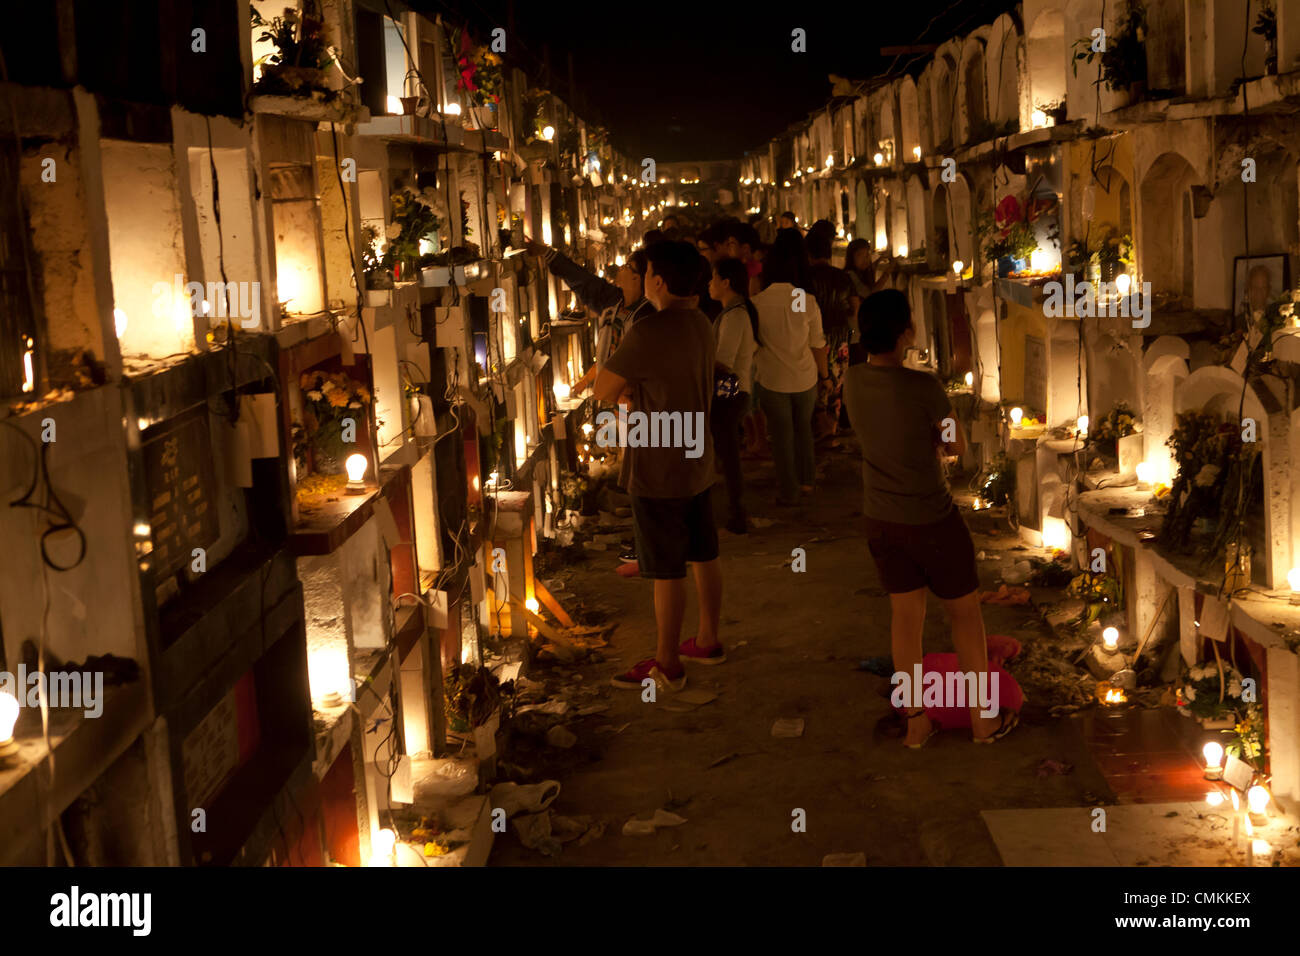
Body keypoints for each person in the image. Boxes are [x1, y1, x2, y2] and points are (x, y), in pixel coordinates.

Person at [842, 290, 1017, 747]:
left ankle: (916, 721)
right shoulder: (924, 387)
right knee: (964, 615)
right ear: (906, 333)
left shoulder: (852, 381)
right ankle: (982, 718)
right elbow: (954, 446)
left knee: (905, 618)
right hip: (930, 518)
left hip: (881, 518)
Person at [594, 241, 725, 690]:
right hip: (696, 454)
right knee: (703, 552)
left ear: (660, 281)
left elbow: (603, 389)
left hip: (656, 459)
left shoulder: (650, 330)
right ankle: (707, 638)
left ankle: (667, 661)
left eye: (647, 271)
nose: (644, 278)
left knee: (666, 567)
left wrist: (630, 390)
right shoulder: (702, 323)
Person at [750, 230, 827, 505]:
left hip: (772, 379)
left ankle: (789, 490)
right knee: (803, 430)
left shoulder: (756, 304)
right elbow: (818, 343)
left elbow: (752, 344)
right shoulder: (805, 301)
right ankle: (807, 482)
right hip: (805, 377)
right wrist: (825, 376)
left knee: (781, 436)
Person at [527, 239, 653, 394]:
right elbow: (582, 280)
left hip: (634, 403)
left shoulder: (646, 316)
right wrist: (546, 253)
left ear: (636, 277)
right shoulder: (613, 303)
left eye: (627, 266)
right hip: (611, 400)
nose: (621, 268)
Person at [708, 257, 759, 534]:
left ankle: (738, 513)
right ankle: (735, 511)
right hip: (735, 388)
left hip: (731, 389)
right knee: (727, 453)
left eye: (713, 278)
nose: (709, 284)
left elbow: (723, 360)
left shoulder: (735, 315)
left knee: (728, 454)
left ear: (726, 283)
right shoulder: (734, 312)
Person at [806, 226, 855, 440]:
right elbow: (854, 307)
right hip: (840, 335)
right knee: (836, 384)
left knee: (816, 381)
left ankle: (816, 429)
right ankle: (831, 429)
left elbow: (799, 311)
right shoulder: (842, 278)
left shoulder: (803, 281)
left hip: (814, 337)